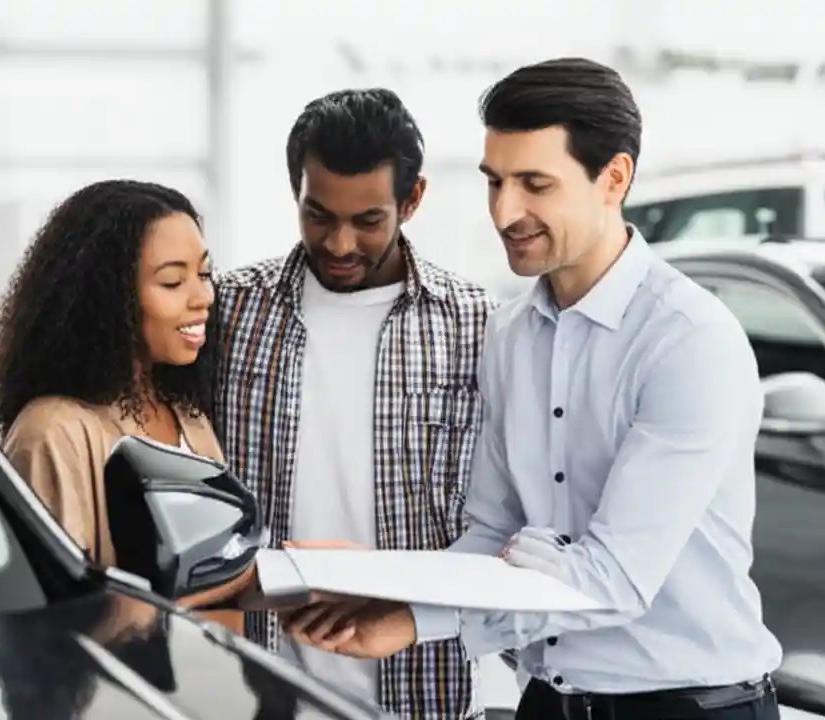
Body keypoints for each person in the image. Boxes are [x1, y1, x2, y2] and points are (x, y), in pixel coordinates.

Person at [281, 58, 784, 720]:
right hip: (546, 703)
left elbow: (613, 580)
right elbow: (494, 532)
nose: (504, 211)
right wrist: (396, 600)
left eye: (534, 184)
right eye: (495, 182)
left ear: (615, 178)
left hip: (687, 708)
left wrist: (430, 601)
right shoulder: (512, 331)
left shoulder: (687, 340)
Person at [211, 88, 496, 719]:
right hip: (261, 688)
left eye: (367, 221)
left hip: (423, 693)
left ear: (412, 200)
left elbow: (502, 524)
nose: (339, 244)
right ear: (297, 193)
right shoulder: (231, 313)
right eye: (318, 216)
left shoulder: (476, 326)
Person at [0, 178, 247, 629]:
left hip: (213, 693)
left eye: (203, 274)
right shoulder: (52, 433)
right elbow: (60, 621)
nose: (203, 297)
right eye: (172, 280)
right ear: (107, 299)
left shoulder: (189, 416)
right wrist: (248, 578)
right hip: (124, 697)